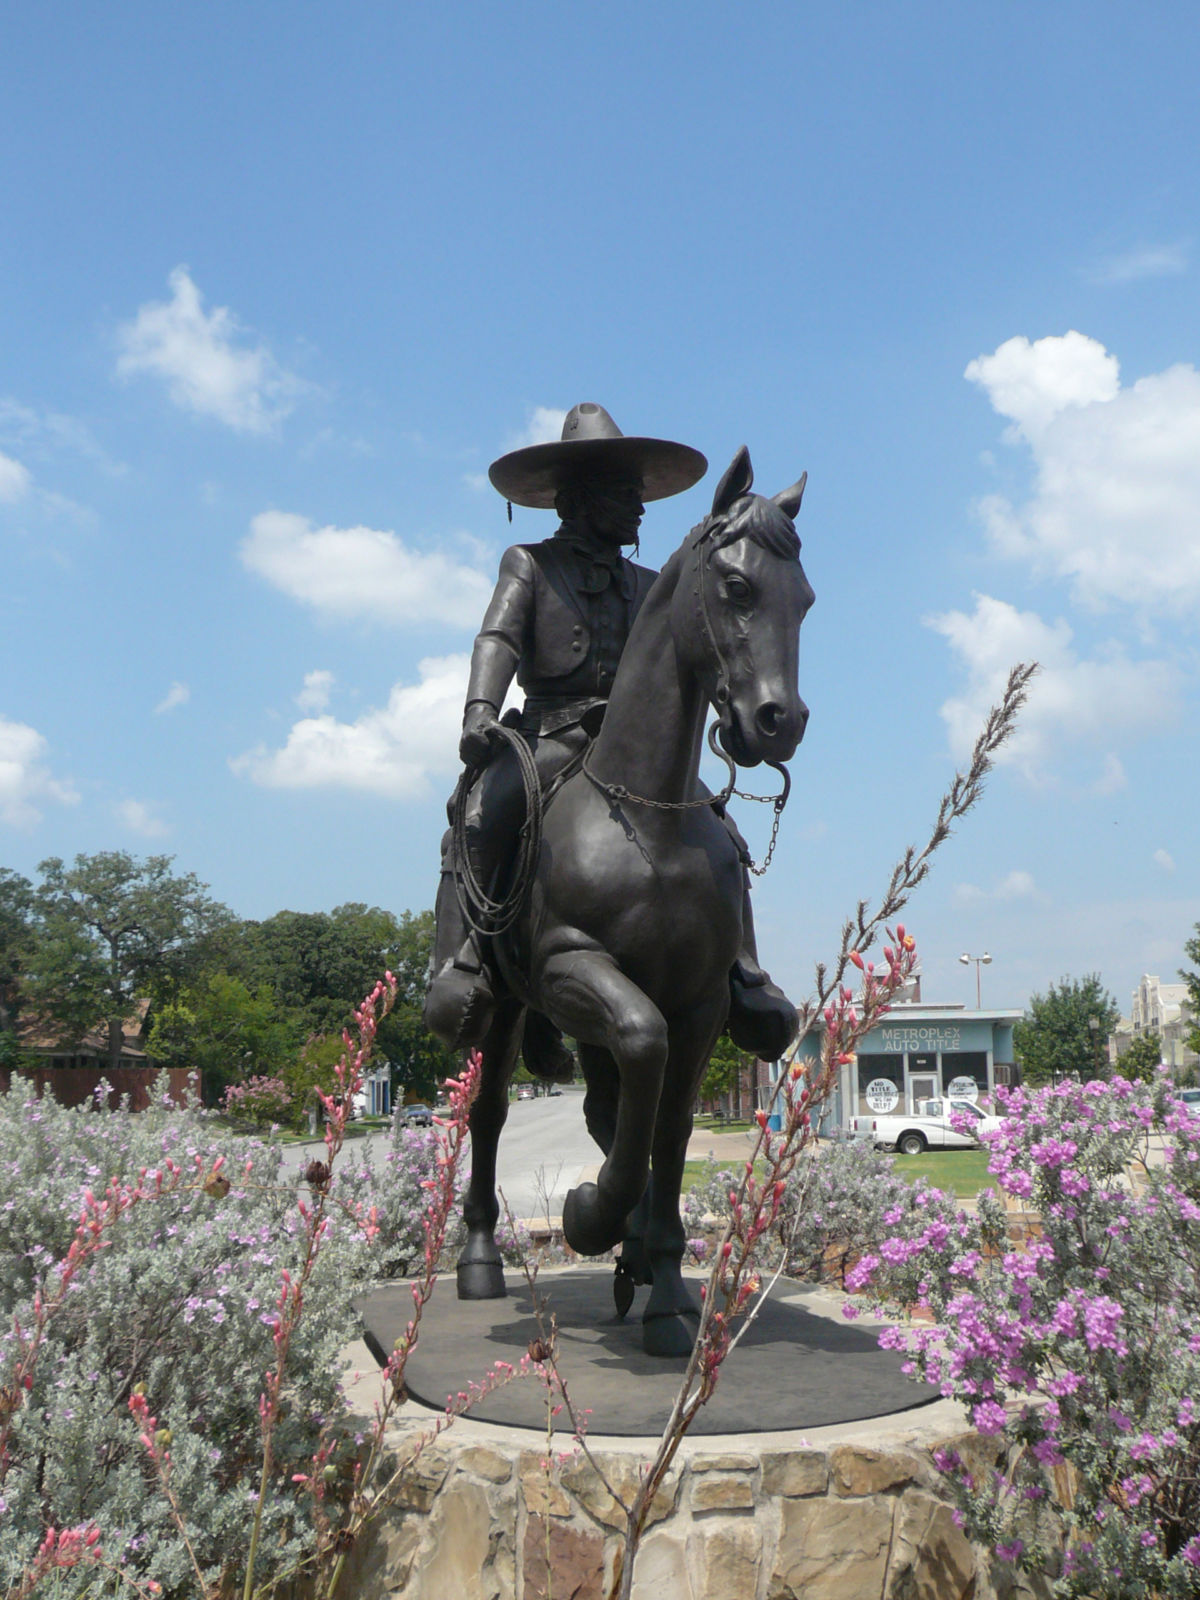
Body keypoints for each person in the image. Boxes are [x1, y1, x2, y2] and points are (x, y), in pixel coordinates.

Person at [423, 402, 794, 1072]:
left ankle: (742, 970)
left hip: (631, 745)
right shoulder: (529, 565)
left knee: (721, 830)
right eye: (626, 494)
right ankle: (466, 961)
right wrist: (481, 708)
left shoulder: (653, 583)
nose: (640, 508)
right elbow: (498, 637)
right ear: (580, 499)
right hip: (550, 734)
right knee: (479, 815)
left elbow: (692, 656)